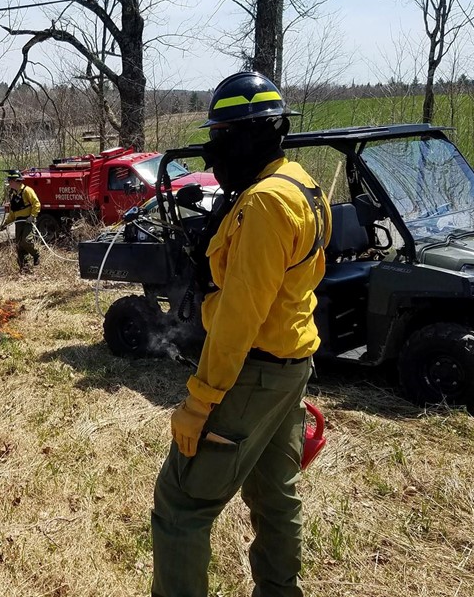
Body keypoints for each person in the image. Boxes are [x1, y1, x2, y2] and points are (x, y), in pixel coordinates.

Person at [151, 71, 331, 597]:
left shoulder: (265, 205)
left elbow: (238, 318)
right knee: (275, 497)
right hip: (290, 370)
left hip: (250, 373)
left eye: (221, 140)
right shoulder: (300, 183)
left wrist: (200, 401)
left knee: (181, 504)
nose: (213, 153)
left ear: (248, 137)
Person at [0, 170, 42, 272]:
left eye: (10, 181)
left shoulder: (27, 191)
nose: (9, 183)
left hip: (28, 220)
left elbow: (36, 204)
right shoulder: (14, 195)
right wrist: (6, 224)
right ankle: (24, 267)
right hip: (19, 221)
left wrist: (32, 216)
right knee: (19, 244)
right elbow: (13, 213)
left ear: (16, 181)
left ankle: (36, 255)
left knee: (26, 241)